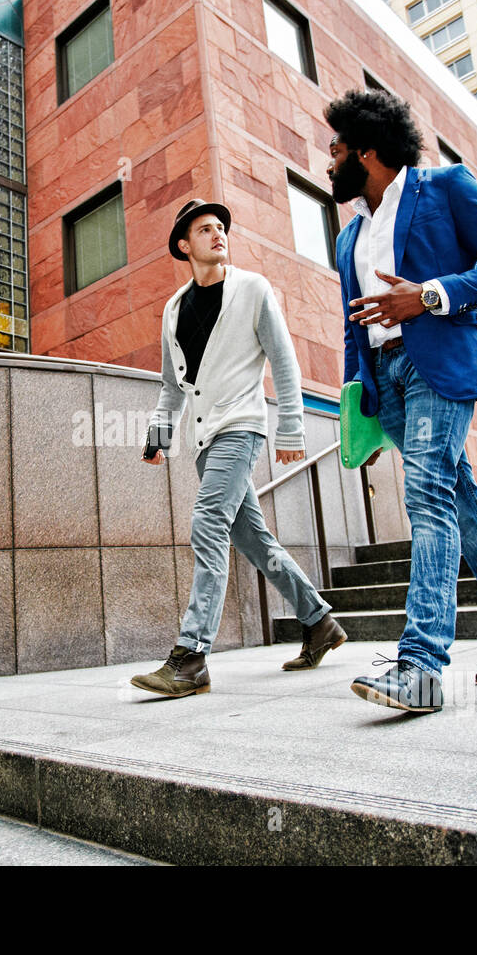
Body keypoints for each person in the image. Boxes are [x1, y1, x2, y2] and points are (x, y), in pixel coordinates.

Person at [324, 89, 477, 713]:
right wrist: (360, 405)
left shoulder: (445, 187)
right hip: (387, 378)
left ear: (367, 151)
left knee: (426, 496)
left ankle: (421, 665)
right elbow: (354, 327)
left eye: (336, 150)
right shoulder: (349, 240)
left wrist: (427, 295)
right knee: (463, 508)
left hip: (442, 361)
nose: (329, 162)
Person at [129, 199, 347, 698]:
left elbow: (283, 360)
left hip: (242, 427)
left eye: (221, 228)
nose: (218, 234)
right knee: (254, 540)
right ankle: (318, 621)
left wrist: (291, 428)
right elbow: (172, 384)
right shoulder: (173, 308)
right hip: (204, 440)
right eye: (205, 230)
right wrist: (159, 434)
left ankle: (191, 656)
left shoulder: (252, 288)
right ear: (184, 245)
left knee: (207, 524)